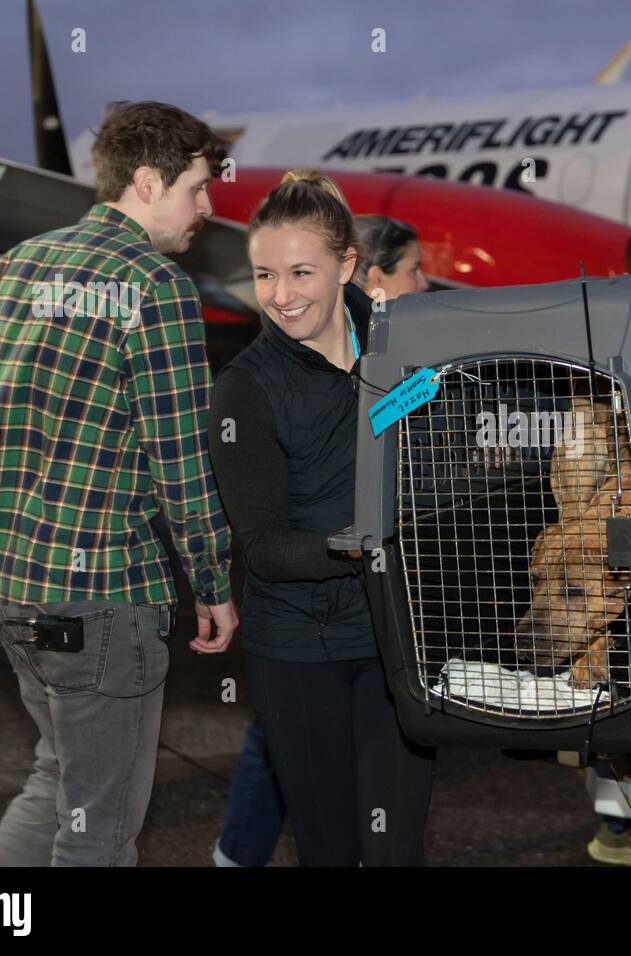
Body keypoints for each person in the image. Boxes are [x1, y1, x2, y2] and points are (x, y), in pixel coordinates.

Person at [0, 100, 240, 866]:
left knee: (56, 782)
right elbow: (182, 462)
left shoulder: (22, 264)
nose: (208, 207)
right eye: (197, 188)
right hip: (103, 599)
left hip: (12, 591)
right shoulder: (157, 287)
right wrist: (213, 583)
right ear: (149, 180)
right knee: (99, 835)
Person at [207, 170, 434, 866]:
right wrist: (362, 546)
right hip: (301, 651)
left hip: (398, 639)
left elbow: (439, 454)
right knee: (330, 847)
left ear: (347, 266)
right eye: (265, 274)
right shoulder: (245, 390)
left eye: (301, 271)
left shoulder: (405, 350)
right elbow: (266, 547)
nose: (280, 295)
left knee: (395, 849)